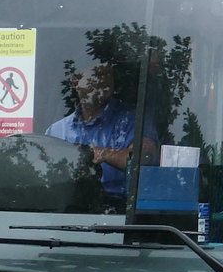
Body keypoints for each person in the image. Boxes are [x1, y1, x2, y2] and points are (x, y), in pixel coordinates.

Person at [44, 62, 152, 201]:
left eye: (109, 75)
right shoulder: (56, 131)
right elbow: (44, 176)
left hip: (120, 213)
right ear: (75, 82)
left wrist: (99, 154)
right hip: (63, 213)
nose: (105, 80)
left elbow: (144, 158)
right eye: (97, 75)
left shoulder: (135, 120)